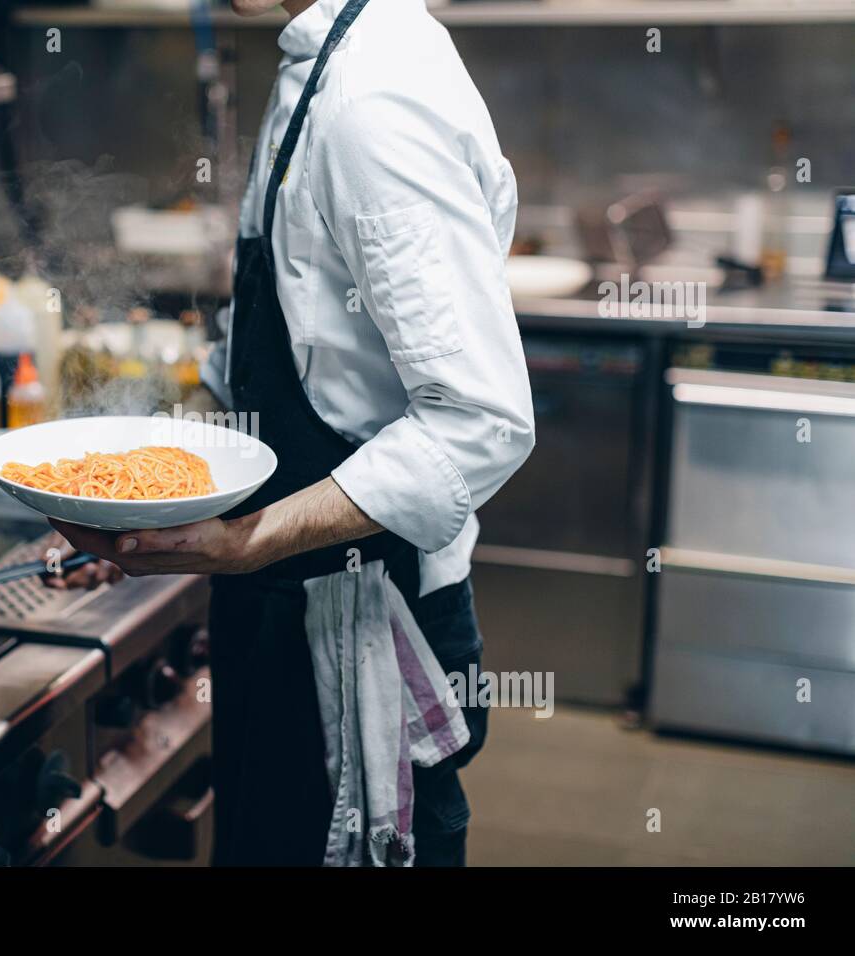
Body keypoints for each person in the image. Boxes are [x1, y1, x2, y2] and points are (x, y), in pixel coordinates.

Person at [50, 0, 534, 866]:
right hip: (282, 607)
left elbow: (479, 422)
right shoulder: (315, 64)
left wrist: (251, 539)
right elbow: (289, 350)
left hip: (361, 623)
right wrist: (154, 494)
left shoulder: (374, 102)